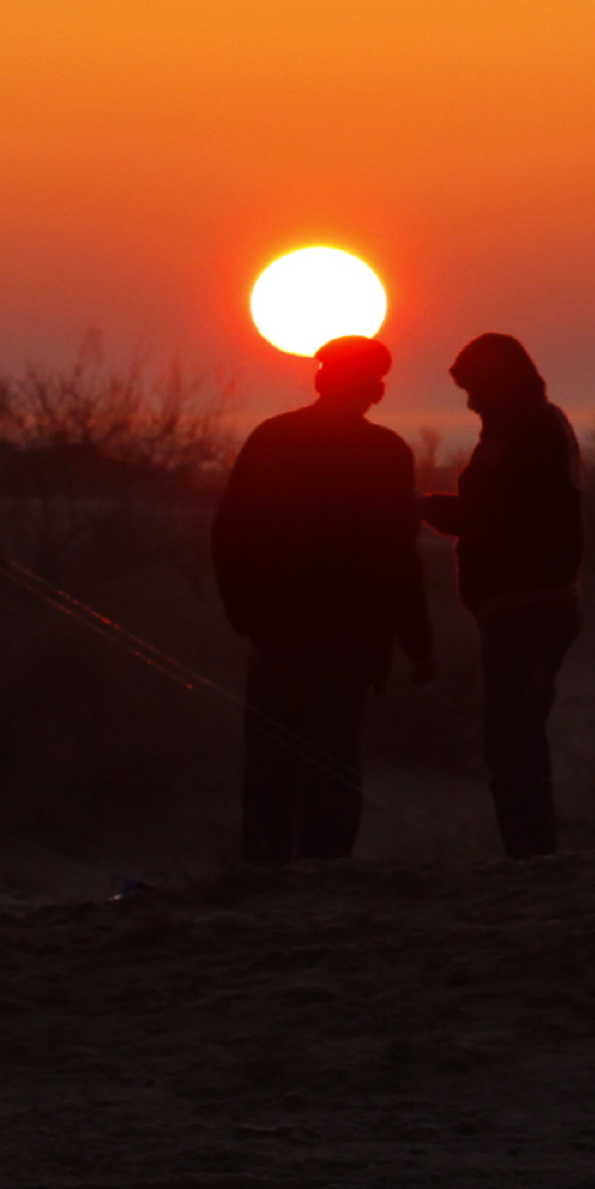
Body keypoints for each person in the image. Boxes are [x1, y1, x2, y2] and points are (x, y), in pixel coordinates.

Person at [210, 335, 432, 863]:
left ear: (322, 380)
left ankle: (266, 876)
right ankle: (325, 876)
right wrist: (418, 645)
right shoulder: (386, 452)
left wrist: (246, 616)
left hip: (282, 636)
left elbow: (228, 532)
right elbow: (398, 556)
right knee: (332, 759)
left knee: (270, 763)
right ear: (374, 390)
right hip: (347, 643)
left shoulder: (272, 438)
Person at [421, 332, 584, 860]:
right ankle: (533, 852)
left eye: (473, 388)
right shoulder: (538, 425)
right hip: (536, 603)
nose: (468, 402)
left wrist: (418, 505)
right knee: (520, 734)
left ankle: (531, 857)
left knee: (511, 740)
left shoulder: (520, 432)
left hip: (521, 607)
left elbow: (482, 515)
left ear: (496, 383)